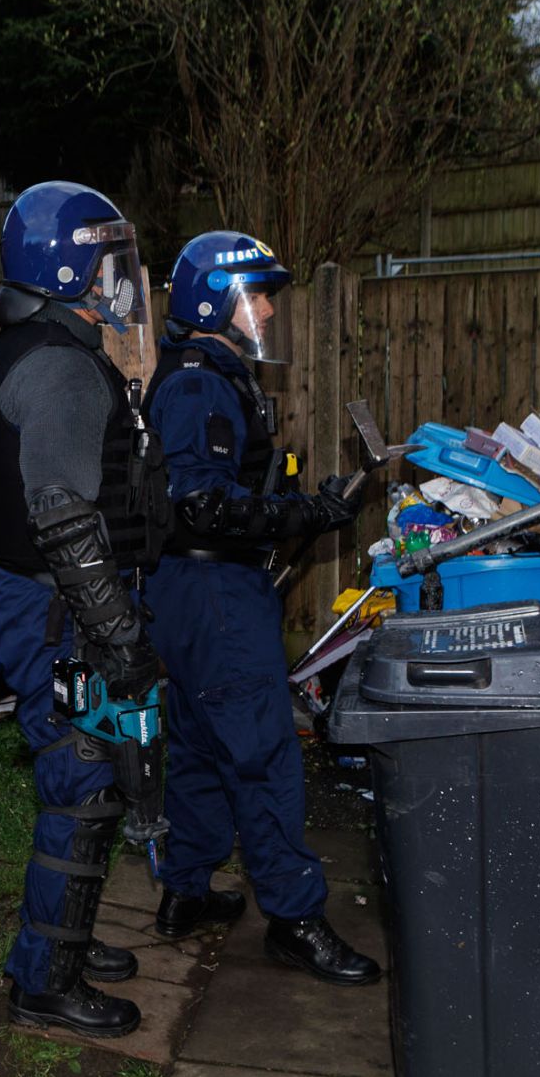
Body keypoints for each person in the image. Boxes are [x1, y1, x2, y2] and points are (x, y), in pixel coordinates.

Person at [142, 230, 380, 985]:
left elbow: (216, 496)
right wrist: (307, 514)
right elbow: (203, 506)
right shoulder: (197, 384)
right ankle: (294, 916)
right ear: (216, 299)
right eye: (258, 295)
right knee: (263, 753)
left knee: (204, 747)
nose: (269, 311)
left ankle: (185, 892)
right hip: (212, 593)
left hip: (193, 590)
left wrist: (305, 505)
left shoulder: (201, 373)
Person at [0, 180, 171, 1038]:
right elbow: (59, 508)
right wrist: (115, 633)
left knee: (87, 774)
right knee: (84, 778)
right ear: (70, 265)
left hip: (37, 602)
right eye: (105, 257)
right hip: (59, 608)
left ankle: (65, 943)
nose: (118, 277)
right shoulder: (61, 365)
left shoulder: (27, 346)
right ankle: (45, 981)